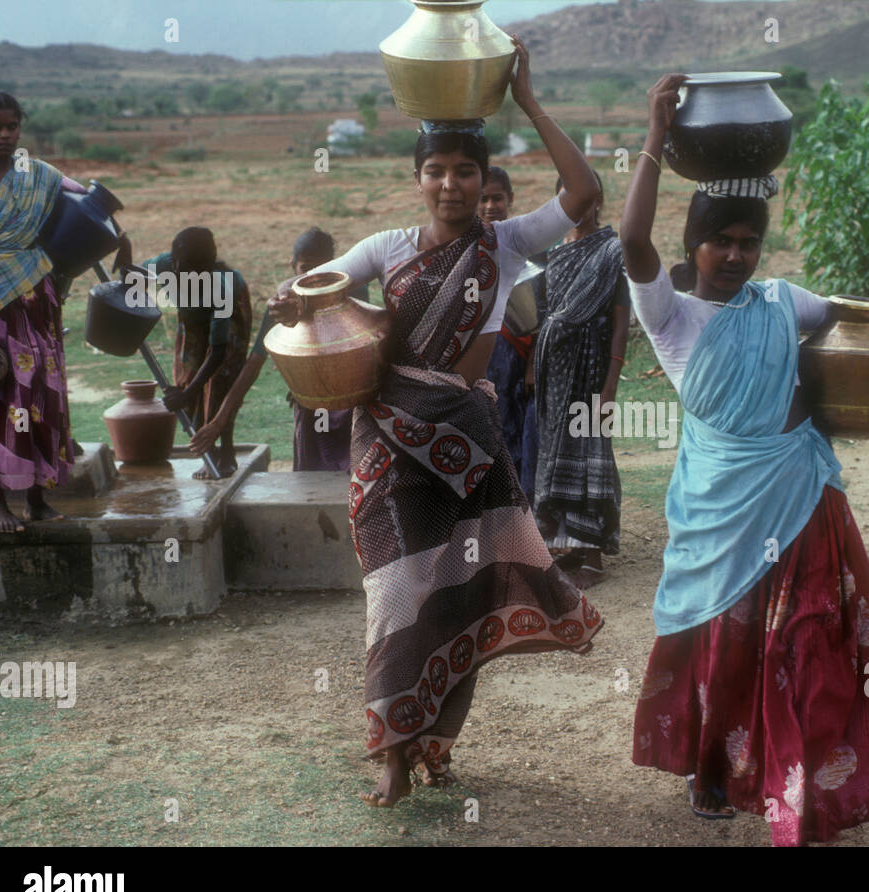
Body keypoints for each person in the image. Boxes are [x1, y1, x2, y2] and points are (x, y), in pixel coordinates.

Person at [267, 37, 605, 808]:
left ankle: (435, 745)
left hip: (470, 453)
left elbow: (583, 194)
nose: (452, 185)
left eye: (466, 172)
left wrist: (526, 99)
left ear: (485, 180)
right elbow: (320, 286)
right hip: (389, 448)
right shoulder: (387, 249)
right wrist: (294, 300)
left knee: (465, 596)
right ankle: (390, 748)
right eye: (436, 171)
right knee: (394, 596)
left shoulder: (508, 242)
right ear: (417, 180)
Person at [620, 74, 869, 845]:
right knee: (724, 642)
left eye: (748, 242)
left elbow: (861, 317)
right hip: (724, 508)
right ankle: (713, 770)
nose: (734, 254)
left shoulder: (780, 301)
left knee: (810, 640)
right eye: (720, 240)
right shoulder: (671, 315)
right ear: (692, 246)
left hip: (802, 496)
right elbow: (630, 242)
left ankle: (802, 777)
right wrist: (656, 134)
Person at [0, 92, 86, 531]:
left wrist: (123, 239)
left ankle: (38, 496)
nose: (4, 134)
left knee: (40, 393)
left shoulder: (36, 174)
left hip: (38, 303)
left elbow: (84, 203)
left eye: (12, 126)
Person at [186, 227, 363, 471]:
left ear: (335, 267)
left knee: (350, 469)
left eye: (322, 270)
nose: (314, 278)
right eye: (306, 269)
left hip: (351, 401)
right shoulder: (283, 305)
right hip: (316, 405)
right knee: (315, 469)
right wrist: (218, 422)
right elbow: (254, 363)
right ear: (292, 265)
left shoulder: (350, 290)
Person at [532, 171, 629, 589]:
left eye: (587, 199)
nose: (579, 207)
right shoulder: (553, 254)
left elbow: (622, 320)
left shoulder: (612, 251)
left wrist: (611, 382)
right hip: (555, 370)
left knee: (591, 452)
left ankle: (592, 556)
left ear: (598, 201)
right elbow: (543, 316)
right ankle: (564, 545)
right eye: (569, 199)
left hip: (591, 368)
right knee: (556, 452)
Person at [115, 227, 252, 478]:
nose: (194, 276)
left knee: (222, 381)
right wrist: (125, 251)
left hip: (228, 319)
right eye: (187, 269)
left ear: (211, 265)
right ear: (174, 262)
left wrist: (189, 394)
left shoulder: (222, 287)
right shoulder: (162, 266)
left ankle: (227, 451)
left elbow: (218, 353)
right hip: (192, 319)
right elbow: (130, 279)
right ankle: (207, 450)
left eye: (201, 270)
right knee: (186, 376)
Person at [479, 165, 540, 499]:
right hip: (481, 361)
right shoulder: (464, 247)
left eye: (497, 198)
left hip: (519, 356)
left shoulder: (526, 244)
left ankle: (521, 518)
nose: (490, 206)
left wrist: (532, 363)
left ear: (510, 200)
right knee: (488, 437)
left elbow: (542, 312)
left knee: (520, 437)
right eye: (483, 198)